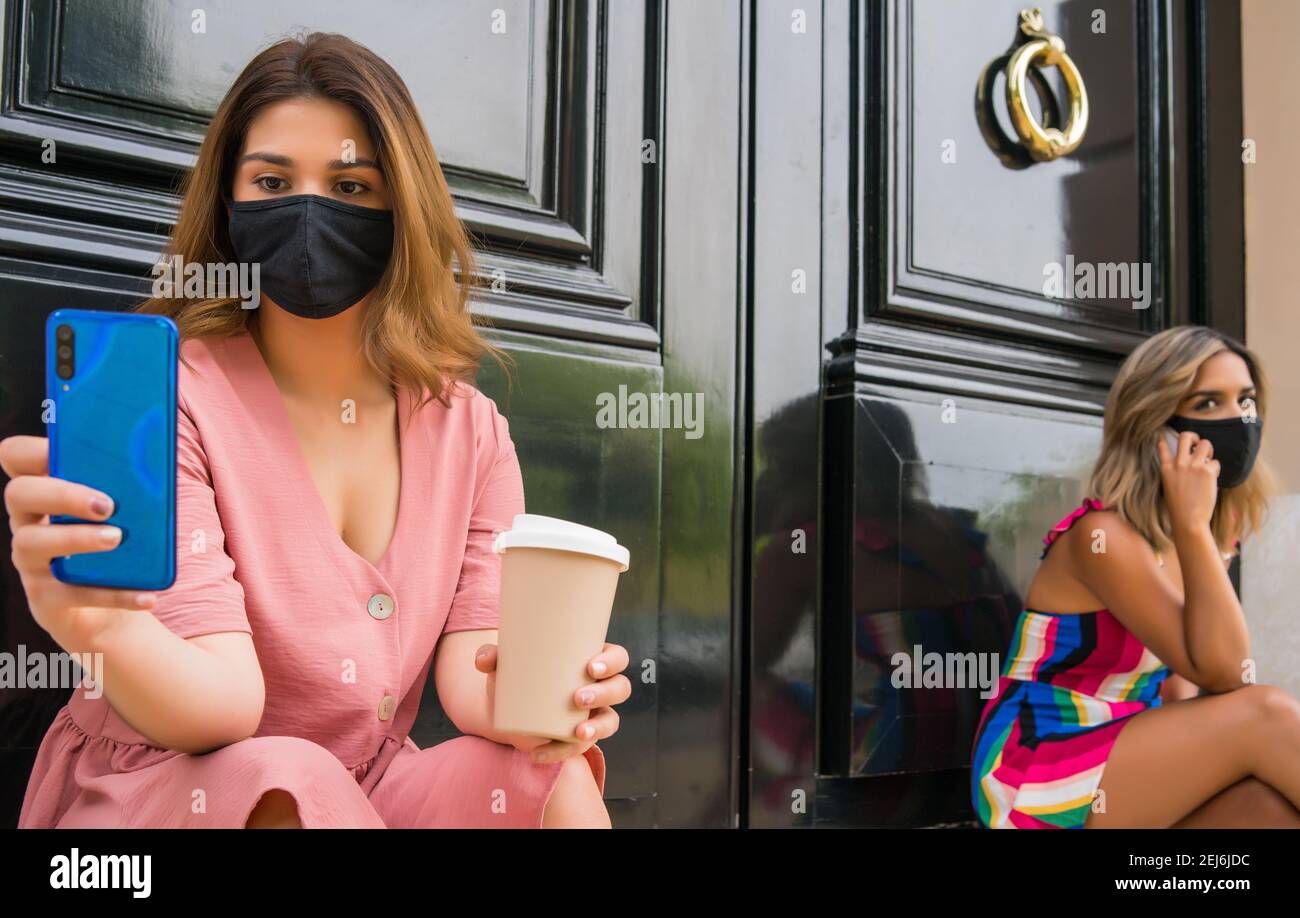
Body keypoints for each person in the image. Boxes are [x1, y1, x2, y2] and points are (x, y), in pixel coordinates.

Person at [1, 32, 629, 828]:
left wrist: (559, 696)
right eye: (272, 180)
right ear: (228, 204)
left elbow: (475, 681)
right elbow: (219, 706)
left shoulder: (468, 429)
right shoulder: (172, 402)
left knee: (553, 779)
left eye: (350, 185)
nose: (309, 212)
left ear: (402, 204)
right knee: (291, 777)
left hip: (360, 791)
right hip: (176, 789)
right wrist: (88, 627)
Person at [971, 324, 1300, 828]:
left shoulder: (1198, 539)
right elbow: (1232, 675)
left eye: (1246, 401)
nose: (1237, 419)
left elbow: (1187, 687)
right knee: (1267, 715)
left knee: (1268, 812)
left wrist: (1202, 538)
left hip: (1125, 758)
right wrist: (1193, 527)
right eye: (1208, 403)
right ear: (1156, 426)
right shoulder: (1101, 539)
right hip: (1038, 768)